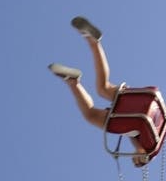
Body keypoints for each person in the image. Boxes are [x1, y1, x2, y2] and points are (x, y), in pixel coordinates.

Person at [49, 16, 153, 167]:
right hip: (137, 116)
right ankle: (73, 82)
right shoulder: (149, 145)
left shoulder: (149, 132)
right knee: (91, 115)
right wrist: (140, 152)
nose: (134, 158)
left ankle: (93, 42)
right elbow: (139, 143)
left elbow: (135, 132)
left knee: (103, 88)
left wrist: (138, 148)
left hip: (145, 100)